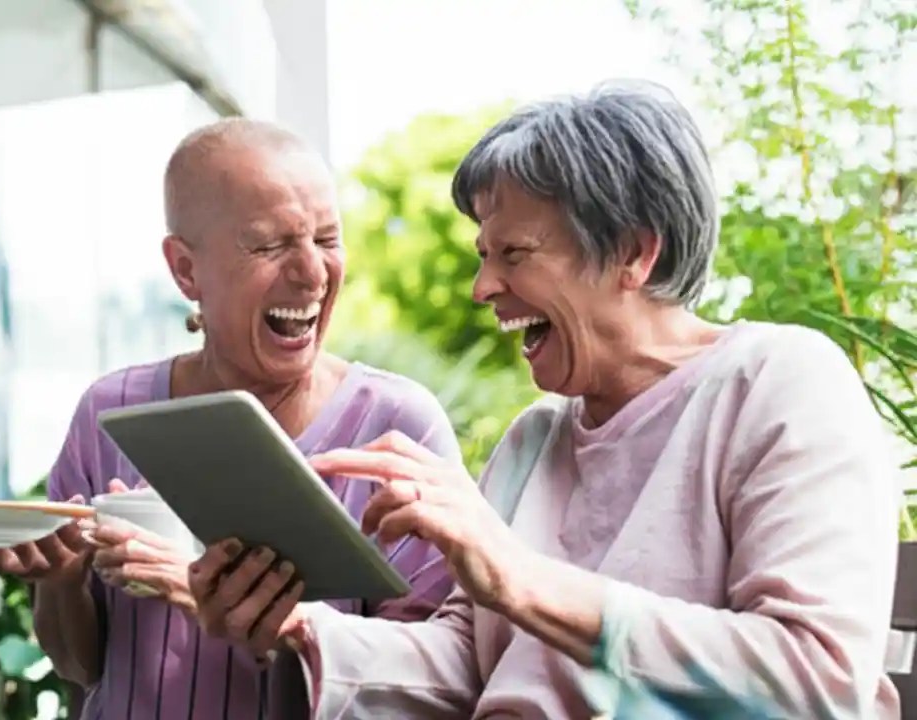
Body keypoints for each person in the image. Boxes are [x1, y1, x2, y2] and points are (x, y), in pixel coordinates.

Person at [188, 81, 901, 718]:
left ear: (632, 251)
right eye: (483, 255)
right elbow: (467, 661)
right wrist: (297, 626)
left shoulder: (780, 382)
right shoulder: (536, 439)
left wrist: (520, 576)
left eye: (515, 254)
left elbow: (818, 679)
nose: (482, 288)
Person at [0, 119, 461, 718]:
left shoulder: (399, 425)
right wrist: (60, 579)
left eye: (327, 239)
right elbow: (82, 668)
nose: (312, 273)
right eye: (269, 245)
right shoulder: (110, 412)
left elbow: (435, 682)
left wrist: (267, 621)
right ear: (185, 270)